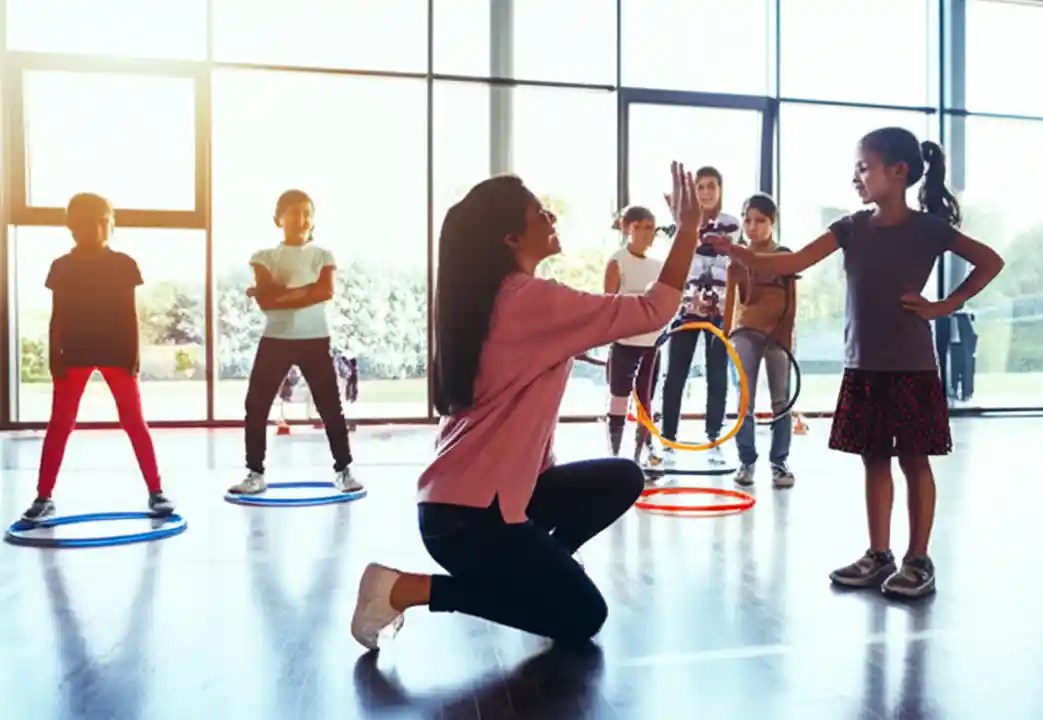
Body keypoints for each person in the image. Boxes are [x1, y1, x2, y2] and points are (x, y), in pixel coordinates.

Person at [348, 162, 702, 650]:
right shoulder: (529, 300)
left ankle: (541, 564)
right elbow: (653, 309)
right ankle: (405, 589)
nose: (551, 215)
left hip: (473, 503)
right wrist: (688, 230)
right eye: (540, 212)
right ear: (511, 238)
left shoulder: (487, 300)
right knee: (582, 615)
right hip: (472, 519)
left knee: (622, 477)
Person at [714, 128, 1004, 598]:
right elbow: (789, 264)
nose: (856, 178)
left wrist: (943, 305)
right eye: (855, 169)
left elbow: (990, 261)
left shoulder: (929, 228)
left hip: (911, 366)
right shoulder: (850, 227)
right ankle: (879, 554)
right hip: (864, 365)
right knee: (873, 461)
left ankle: (918, 559)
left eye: (864, 168)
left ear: (899, 172)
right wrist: (738, 253)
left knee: (914, 460)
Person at [19, 193, 174, 522]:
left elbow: (131, 313)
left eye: (104, 221)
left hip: (117, 351)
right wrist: (53, 356)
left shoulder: (123, 264)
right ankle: (43, 496)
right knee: (60, 425)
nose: (98, 228)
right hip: (74, 352)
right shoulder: (61, 267)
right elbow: (56, 315)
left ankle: (156, 491)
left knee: (133, 422)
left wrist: (134, 354)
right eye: (89, 223)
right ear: (73, 228)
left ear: (111, 224)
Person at [227, 190, 361, 495]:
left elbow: (324, 292)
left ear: (312, 220)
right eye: (293, 212)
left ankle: (344, 470)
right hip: (275, 339)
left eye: (306, 213)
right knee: (256, 406)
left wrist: (282, 295)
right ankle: (254, 473)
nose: (300, 219)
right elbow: (266, 301)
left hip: (315, 339)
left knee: (330, 408)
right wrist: (302, 292)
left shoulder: (322, 255)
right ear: (279, 218)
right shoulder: (265, 257)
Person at [658, 166, 740, 466]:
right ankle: (668, 437)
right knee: (675, 371)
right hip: (687, 306)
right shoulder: (684, 223)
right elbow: (683, 262)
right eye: (701, 187)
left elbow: (726, 262)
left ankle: (713, 436)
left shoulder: (731, 223)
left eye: (711, 186)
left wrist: (719, 301)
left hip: (718, 306)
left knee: (717, 373)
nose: (706, 192)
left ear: (720, 189)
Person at [723, 193, 797, 489]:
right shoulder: (737, 258)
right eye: (748, 220)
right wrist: (725, 336)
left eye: (760, 221)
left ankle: (779, 462)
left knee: (781, 399)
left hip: (777, 336)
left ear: (772, 223)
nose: (753, 226)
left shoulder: (783, 255)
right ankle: (746, 460)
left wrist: (785, 337)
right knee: (745, 400)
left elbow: (790, 302)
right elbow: (733, 302)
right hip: (745, 334)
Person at [603, 205, 665, 462]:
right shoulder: (618, 261)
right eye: (640, 227)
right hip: (625, 340)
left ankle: (644, 449)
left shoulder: (659, 266)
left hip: (652, 341)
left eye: (650, 228)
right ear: (628, 228)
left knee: (646, 396)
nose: (645, 233)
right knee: (619, 395)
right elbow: (608, 302)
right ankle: (615, 453)